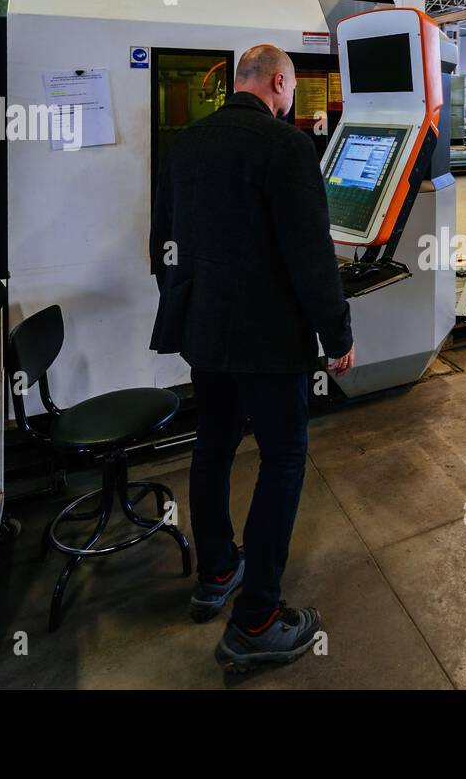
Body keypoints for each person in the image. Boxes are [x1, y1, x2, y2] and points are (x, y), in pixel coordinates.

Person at [149, 44, 355, 669]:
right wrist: (337, 336)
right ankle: (258, 617)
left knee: (211, 448)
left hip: (205, 336)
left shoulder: (186, 144)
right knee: (283, 459)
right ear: (280, 82)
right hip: (269, 344)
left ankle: (217, 572)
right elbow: (310, 257)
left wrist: (189, 308)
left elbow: (162, 245)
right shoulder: (286, 148)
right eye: (290, 89)